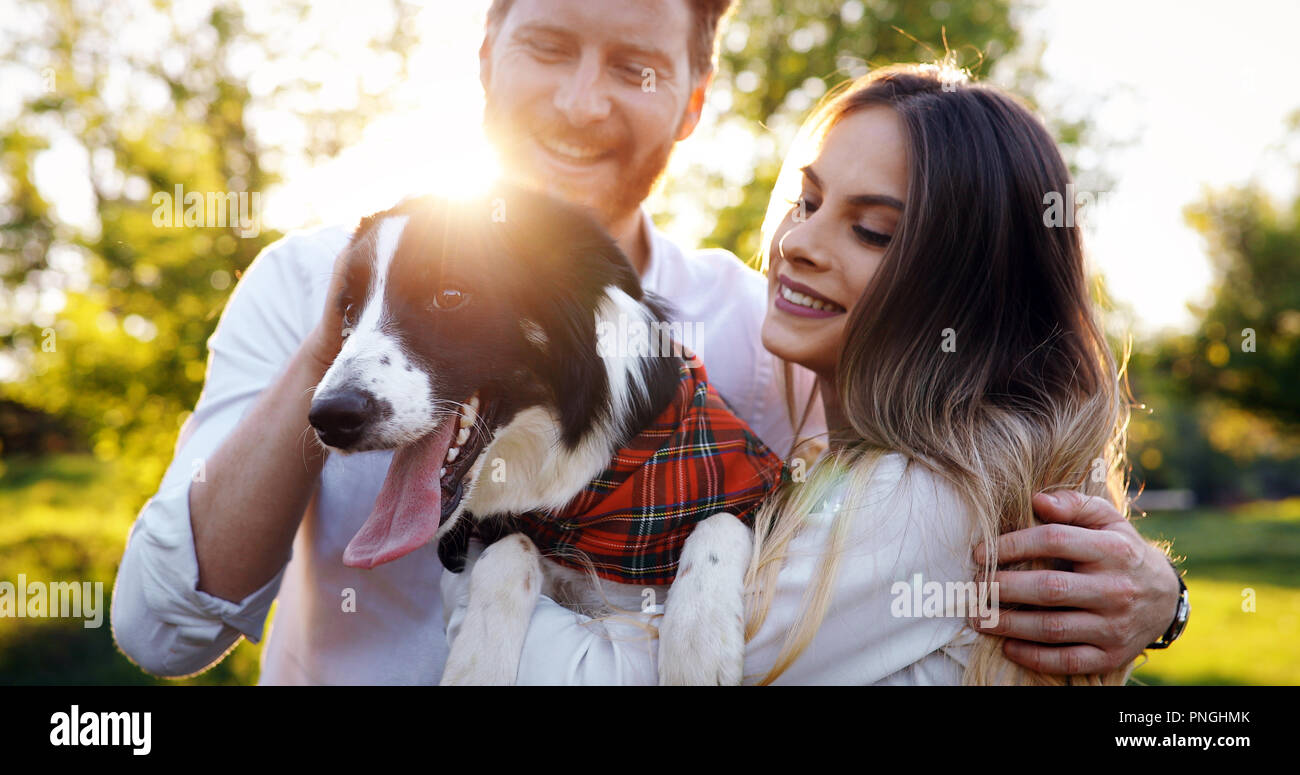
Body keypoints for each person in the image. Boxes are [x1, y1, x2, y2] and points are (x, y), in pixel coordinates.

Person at [112, 0, 1182, 684]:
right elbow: (160, 634)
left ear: (692, 102)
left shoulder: (754, 324)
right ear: (482, 59)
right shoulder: (309, 280)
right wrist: (360, 313)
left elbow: (849, 521)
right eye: (547, 46)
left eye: (633, 64)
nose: (580, 102)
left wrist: (1154, 595)